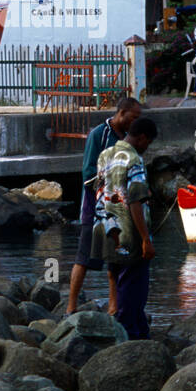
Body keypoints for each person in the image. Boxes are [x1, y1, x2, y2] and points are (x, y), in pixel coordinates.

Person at [66, 95, 143, 316]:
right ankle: (70, 307)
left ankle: (113, 307)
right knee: (84, 258)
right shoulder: (99, 135)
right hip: (94, 207)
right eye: (133, 117)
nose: (135, 121)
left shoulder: (129, 139)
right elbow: (88, 173)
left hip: (119, 209)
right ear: (121, 113)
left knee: (114, 260)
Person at [97, 116, 159, 340]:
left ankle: (138, 333)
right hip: (131, 237)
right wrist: (145, 239)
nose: (146, 148)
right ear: (142, 138)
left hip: (109, 231)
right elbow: (135, 202)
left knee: (121, 284)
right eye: (148, 143)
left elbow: (99, 192)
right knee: (134, 290)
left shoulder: (105, 155)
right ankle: (130, 338)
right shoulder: (134, 160)